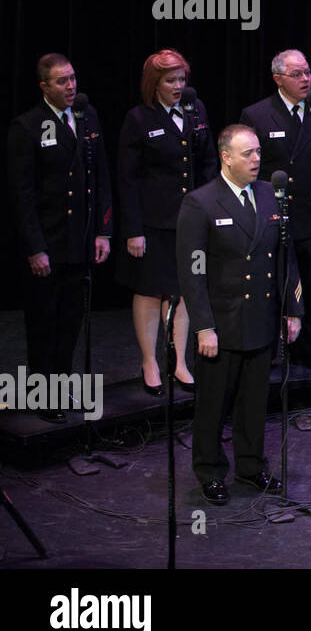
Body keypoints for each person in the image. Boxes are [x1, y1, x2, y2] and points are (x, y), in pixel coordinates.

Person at [176, 125, 303, 505]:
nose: (256, 160)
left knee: (253, 402)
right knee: (214, 405)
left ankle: (251, 466)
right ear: (226, 157)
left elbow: (286, 257)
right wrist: (203, 326)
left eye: (259, 152)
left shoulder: (270, 194)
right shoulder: (201, 203)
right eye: (247, 153)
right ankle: (211, 471)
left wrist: (292, 310)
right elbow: (192, 272)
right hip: (223, 322)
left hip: (261, 317)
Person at [6, 54, 112, 422]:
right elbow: (22, 195)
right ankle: (42, 394)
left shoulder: (87, 117)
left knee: (70, 321)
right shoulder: (27, 126)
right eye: (61, 81)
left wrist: (102, 230)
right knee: (43, 323)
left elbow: (100, 177)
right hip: (48, 243)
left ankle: (64, 385)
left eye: (72, 79)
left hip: (79, 240)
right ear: (44, 87)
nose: (71, 87)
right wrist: (35, 248)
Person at [238, 49, 311, 365]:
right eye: (297, 74)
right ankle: (271, 352)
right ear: (277, 79)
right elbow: (252, 172)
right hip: (276, 217)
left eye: (308, 72)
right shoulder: (257, 115)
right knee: (277, 286)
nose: (305, 79)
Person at [118, 49, 219, 395]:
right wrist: (132, 229)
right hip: (152, 222)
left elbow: (207, 162)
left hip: (189, 219)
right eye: (170, 80)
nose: (178, 86)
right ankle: (149, 361)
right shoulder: (139, 119)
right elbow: (128, 180)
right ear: (154, 84)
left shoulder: (195, 110)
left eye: (182, 79)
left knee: (183, 290)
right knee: (150, 291)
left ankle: (179, 361)